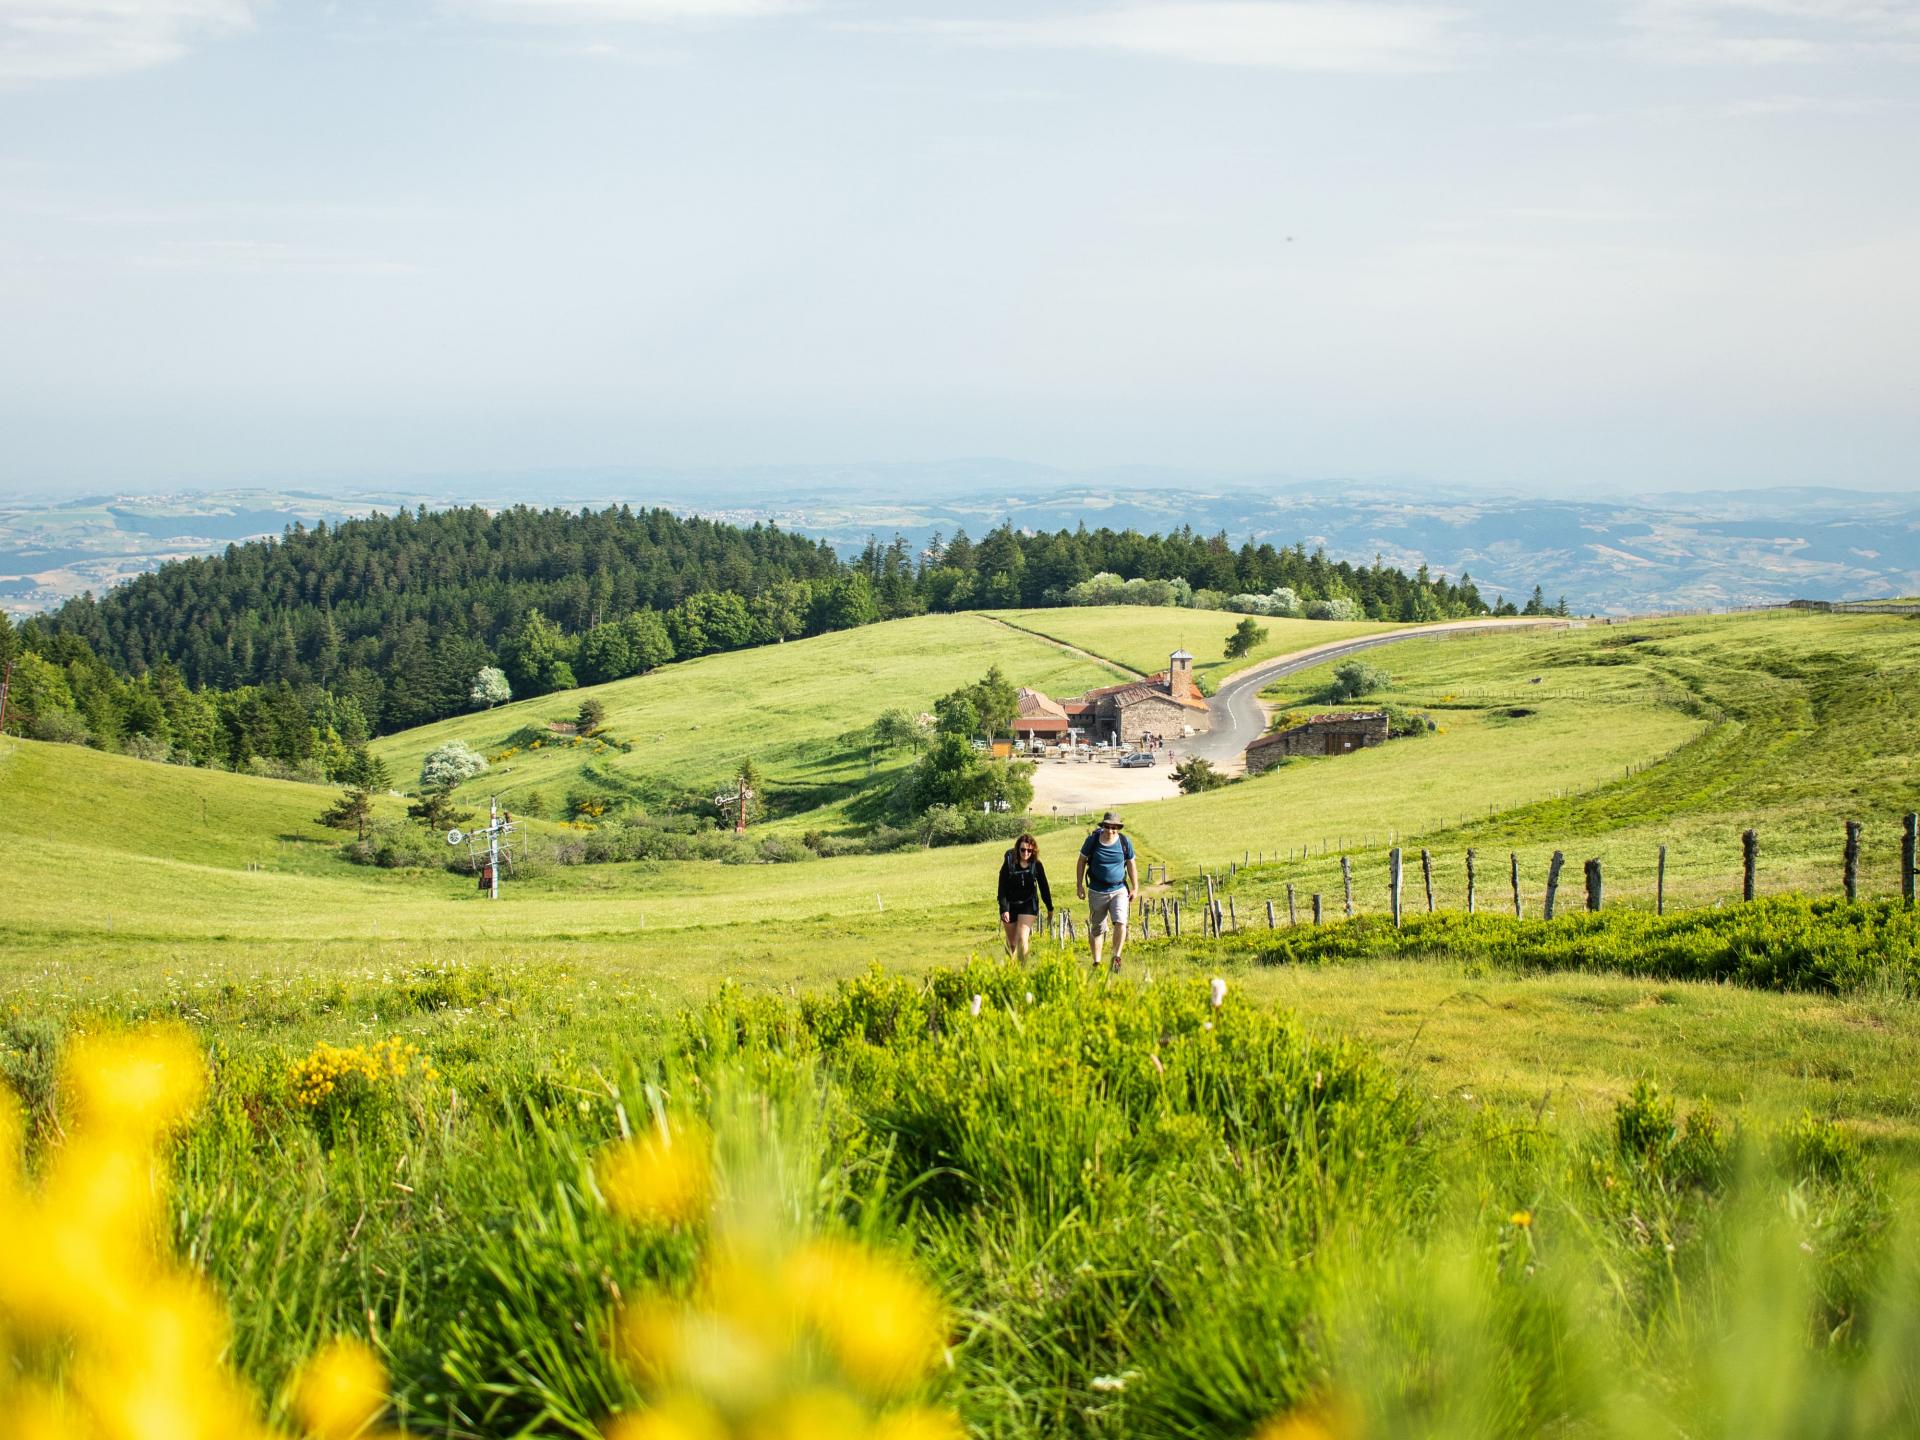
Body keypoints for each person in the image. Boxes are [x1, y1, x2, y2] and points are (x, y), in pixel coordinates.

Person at [1076, 810, 1139, 974]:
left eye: (1114, 827)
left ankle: (1116, 958)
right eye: (1107, 826)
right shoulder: (1092, 841)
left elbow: (1131, 864)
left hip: (1119, 889)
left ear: (1118, 828)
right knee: (1098, 928)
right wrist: (1079, 885)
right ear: (1103, 826)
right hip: (1097, 890)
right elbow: (1081, 861)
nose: (1110, 830)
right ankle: (1096, 962)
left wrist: (1135, 887)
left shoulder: (1125, 842)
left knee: (1121, 921)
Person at [997, 832, 1052, 963]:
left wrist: (1050, 907)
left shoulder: (1036, 865)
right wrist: (1004, 908)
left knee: (1022, 938)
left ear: (1033, 851)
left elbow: (1044, 887)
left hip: (1028, 904)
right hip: (1010, 904)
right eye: (1023, 849)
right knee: (1012, 943)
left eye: (1029, 850)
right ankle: (1011, 971)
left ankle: (1023, 971)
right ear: (1018, 849)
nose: (1026, 853)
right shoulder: (1009, 864)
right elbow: (1002, 887)